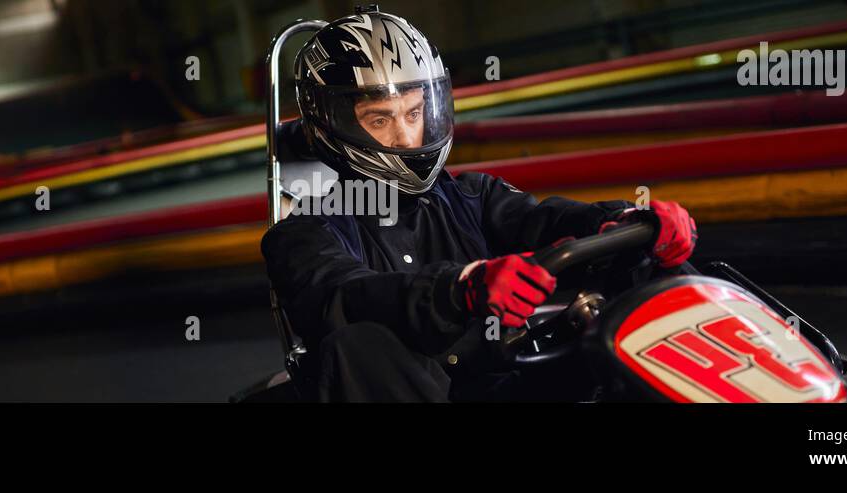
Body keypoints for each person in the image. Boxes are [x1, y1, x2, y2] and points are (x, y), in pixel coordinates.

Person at [262, 6, 698, 402]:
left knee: (648, 268)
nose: (404, 138)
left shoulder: (471, 196)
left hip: (511, 381)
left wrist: (625, 221)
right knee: (359, 342)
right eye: (380, 119)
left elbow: (543, 220)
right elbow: (347, 297)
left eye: (413, 113)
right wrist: (459, 289)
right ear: (331, 126)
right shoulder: (303, 233)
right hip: (414, 389)